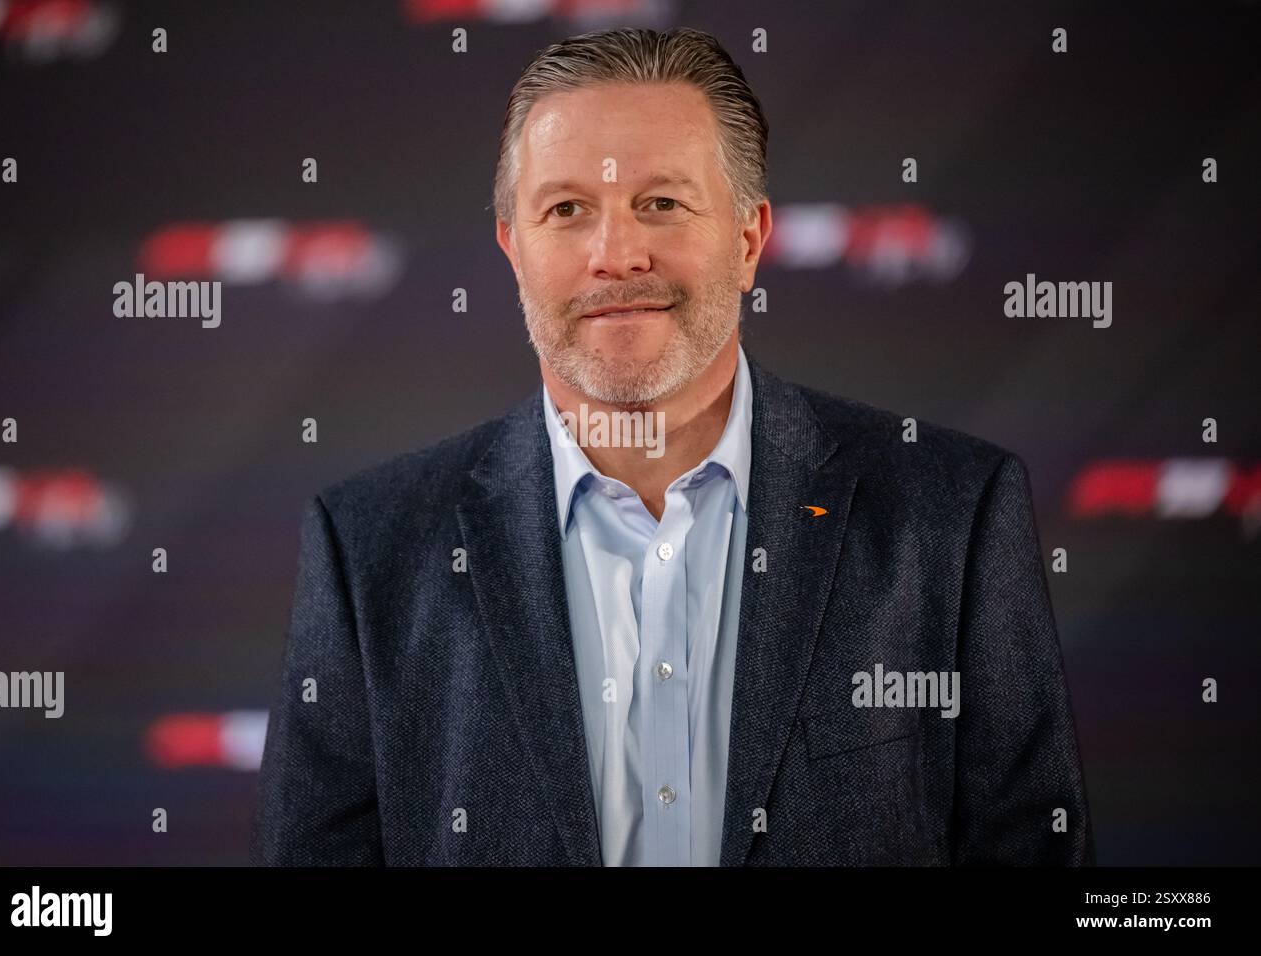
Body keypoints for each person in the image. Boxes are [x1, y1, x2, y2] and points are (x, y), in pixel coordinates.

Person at [250, 26, 1093, 866]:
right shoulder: (369, 548)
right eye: (567, 210)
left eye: (661, 202)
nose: (616, 256)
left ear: (749, 240)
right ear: (514, 249)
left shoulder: (950, 517)